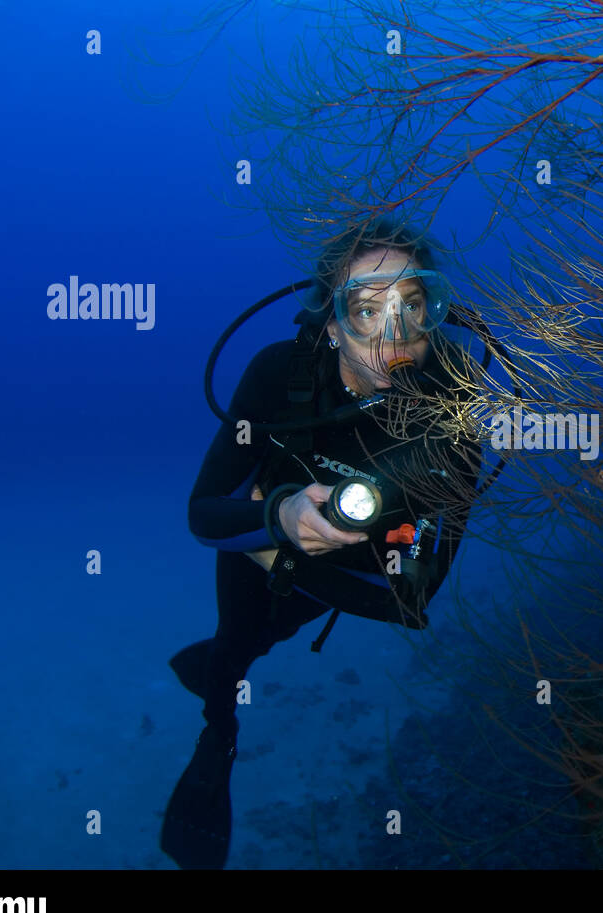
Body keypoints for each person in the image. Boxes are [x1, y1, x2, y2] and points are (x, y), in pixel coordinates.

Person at [160, 221, 483, 869]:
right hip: (267, 542)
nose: (394, 335)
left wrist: (278, 544)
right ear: (332, 324)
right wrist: (280, 518)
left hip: (342, 565)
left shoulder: (454, 399)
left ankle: (237, 652)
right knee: (237, 641)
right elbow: (202, 514)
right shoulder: (279, 375)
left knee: (264, 628)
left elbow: (411, 600)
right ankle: (217, 736)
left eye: (412, 306)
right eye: (366, 309)